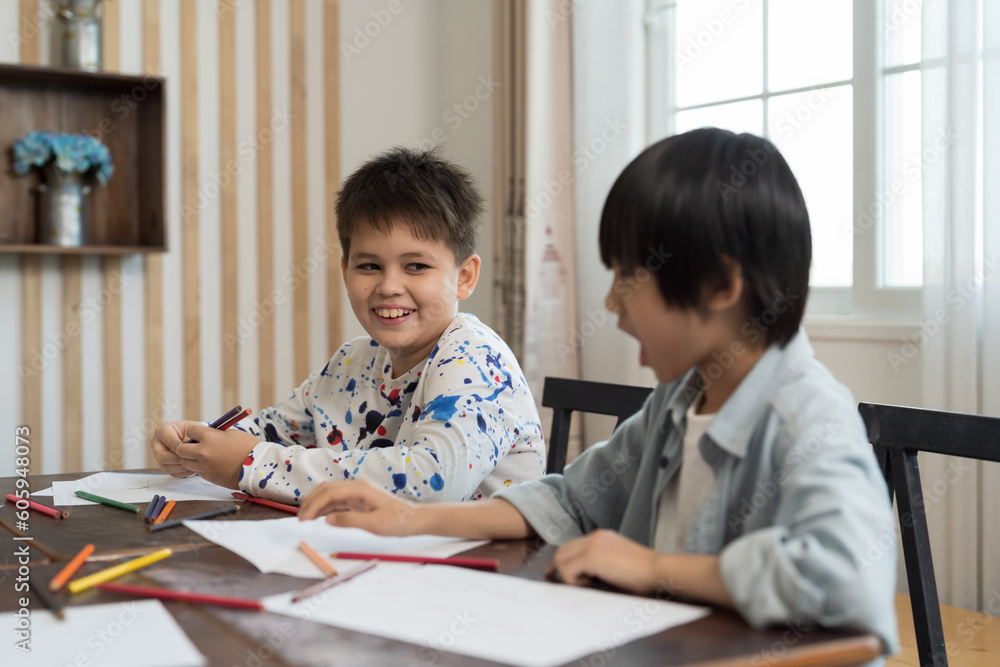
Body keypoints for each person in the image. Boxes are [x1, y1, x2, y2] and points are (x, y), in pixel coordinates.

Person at [297, 129, 899, 660]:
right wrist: (412, 518)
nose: (611, 303)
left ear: (719, 285)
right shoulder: (680, 400)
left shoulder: (808, 416)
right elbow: (572, 501)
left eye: (629, 277)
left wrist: (656, 568)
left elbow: (846, 574)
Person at [149, 147, 545, 503]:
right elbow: (276, 432)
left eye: (416, 266)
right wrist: (199, 440)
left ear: (464, 276)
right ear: (345, 270)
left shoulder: (477, 360)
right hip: (379, 560)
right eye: (369, 266)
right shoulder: (352, 362)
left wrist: (251, 464)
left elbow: (430, 483)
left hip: (479, 571)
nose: (389, 286)